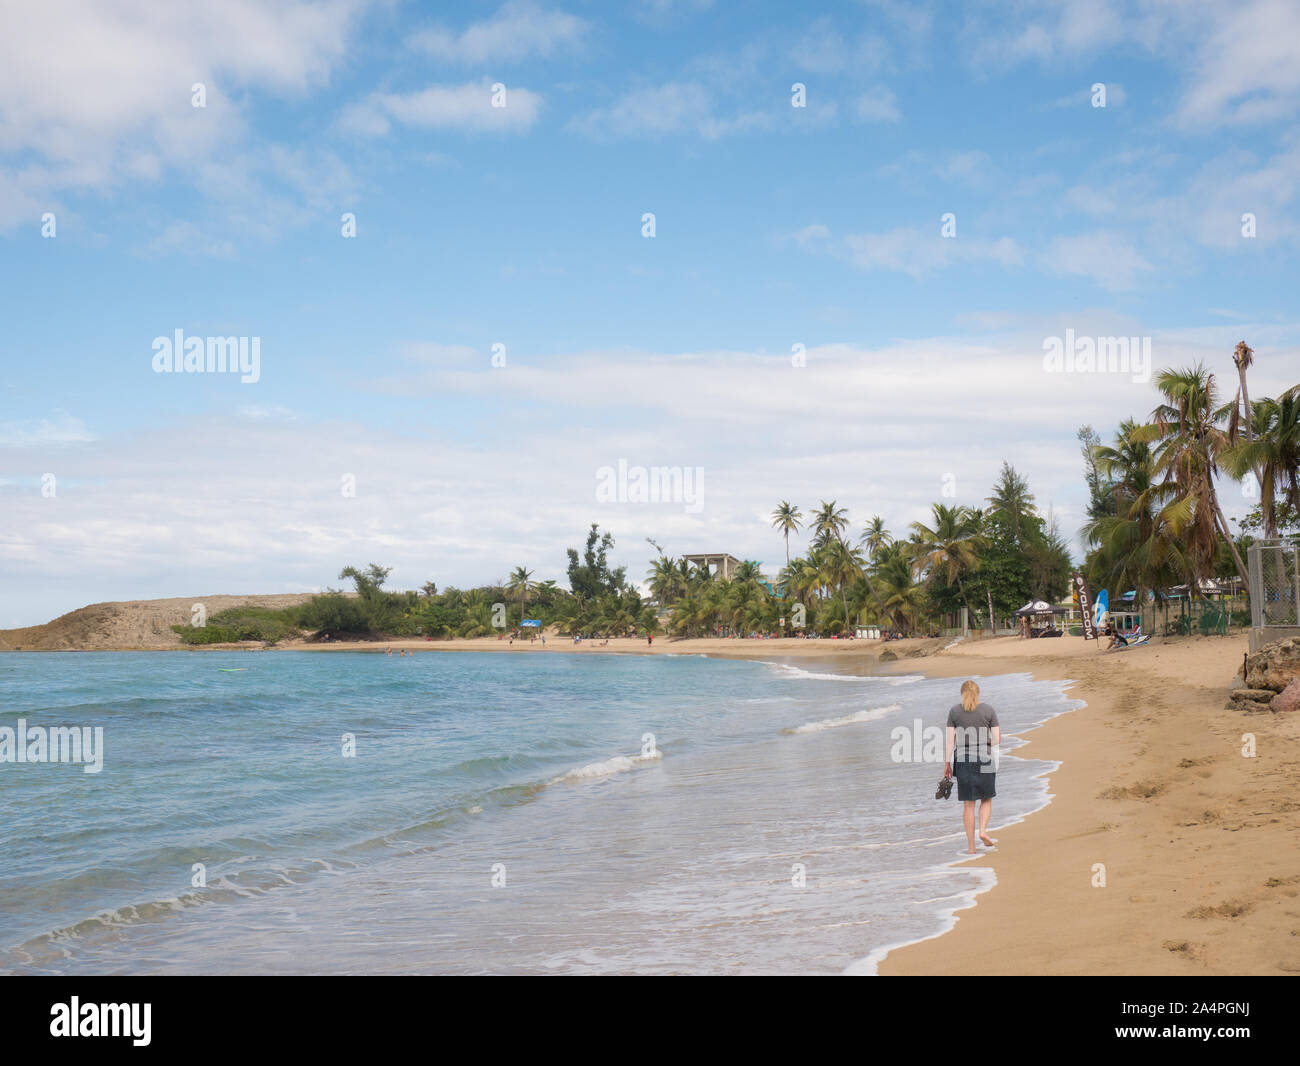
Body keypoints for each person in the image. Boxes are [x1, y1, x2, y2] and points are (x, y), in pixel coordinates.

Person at [944, 680, 1000, 854]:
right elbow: (997, 739)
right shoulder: (989, 710)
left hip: (963, 759)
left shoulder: (954, 711)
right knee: (986, 799)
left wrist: (947, 764)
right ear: (978, 693)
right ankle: (983, 831)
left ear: (962, 693)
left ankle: (971, 848)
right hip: (985, 756)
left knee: (969, 805)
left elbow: (949, 742)